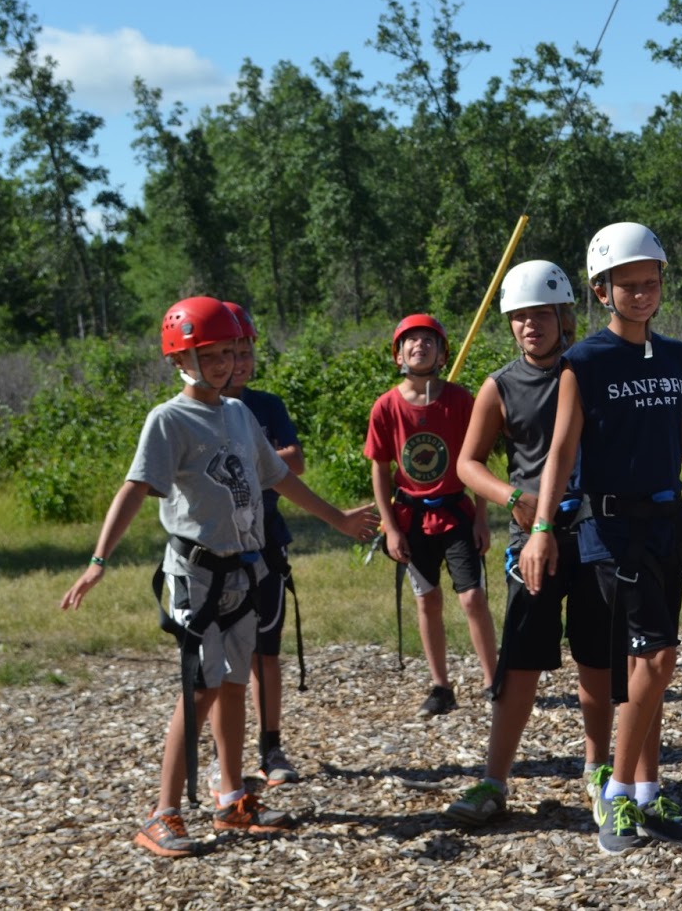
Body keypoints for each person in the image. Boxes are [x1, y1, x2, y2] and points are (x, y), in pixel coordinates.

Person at [59, 296, 377, 858]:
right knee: (200, 689)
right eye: (213, 355)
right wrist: (98, 561)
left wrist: (338, 518)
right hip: (197, 576)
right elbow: (134, 488)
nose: (228, 364)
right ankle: (164, 813)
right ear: (182, 357)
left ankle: (231, 799)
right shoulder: (168, 420)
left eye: (233, 352)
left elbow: (276, 476)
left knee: (233, 685)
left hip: (244, 571)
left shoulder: (239, 414)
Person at [521, 220, 682, 854]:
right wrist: (543, 528)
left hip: (666, 524)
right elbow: (561, 448)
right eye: (629, 286)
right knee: (654, 659)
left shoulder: (678, 358)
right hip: (608, 530)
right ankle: (617, 796)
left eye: (651, 283)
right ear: (603, 291)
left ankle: (648, 794)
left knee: (648, 662)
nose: (643, 295)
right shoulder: (585, 361)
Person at [445, 260, 613, 825]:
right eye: (518, 318)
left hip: (593, 530)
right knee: (519, 662)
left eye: (540, 314)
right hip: (532, 538)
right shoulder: (499, 386)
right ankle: (494, 780)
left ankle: (597, 771)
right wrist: (508, 497)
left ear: (564, 316)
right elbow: (467, 463)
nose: (529, 326)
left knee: (595, 658)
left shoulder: (592, 369)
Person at [365, 313, 497, 717]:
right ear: (398, 353)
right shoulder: (386, 407)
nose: (419, 346)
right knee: (428, 600)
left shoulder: (460, 400)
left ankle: (495, 680)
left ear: (442, 354)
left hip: (456, 512)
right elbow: (381, 469)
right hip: (411, 518)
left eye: (428, 341)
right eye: (411, 341)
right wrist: (389, 527)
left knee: (472, 596)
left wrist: (481, 517)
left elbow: (477, 460)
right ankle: (441, 686)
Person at [220, 301, 304, 787]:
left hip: (266, 542)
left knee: (265, 652)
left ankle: (271, 748)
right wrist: (263, 465)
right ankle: (222, 758)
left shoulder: (266, 405)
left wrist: (244, 464)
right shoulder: (196, 414)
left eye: (247, 348)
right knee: (223, 659)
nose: (241, 360)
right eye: (231, 350)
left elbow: (295, 461)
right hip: (214, 554)